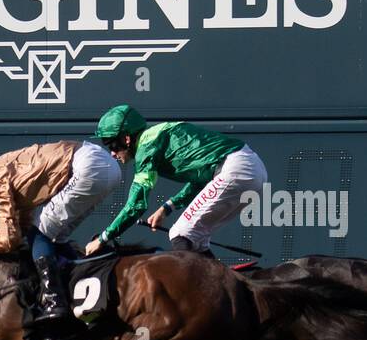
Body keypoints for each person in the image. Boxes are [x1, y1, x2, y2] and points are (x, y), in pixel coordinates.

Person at [0, 140, 122, 325]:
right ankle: (87, 287)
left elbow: (9, 240)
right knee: (54, 237)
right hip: (105, 166)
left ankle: (54, 301)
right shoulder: (6, 170)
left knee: (40, 235)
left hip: (87, 166)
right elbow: (21, 229)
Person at [86, 104, 267, 258]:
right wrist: (167, 208)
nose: (111, 153)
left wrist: (103, 238)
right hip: (251, 167)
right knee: (197, 239)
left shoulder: (146, 148)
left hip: (235, 168)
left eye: (111, 145)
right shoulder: (157, 136)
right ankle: (219, 283)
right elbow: (202, 177)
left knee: (180, 233)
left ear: (126, 138)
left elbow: (136, 206)